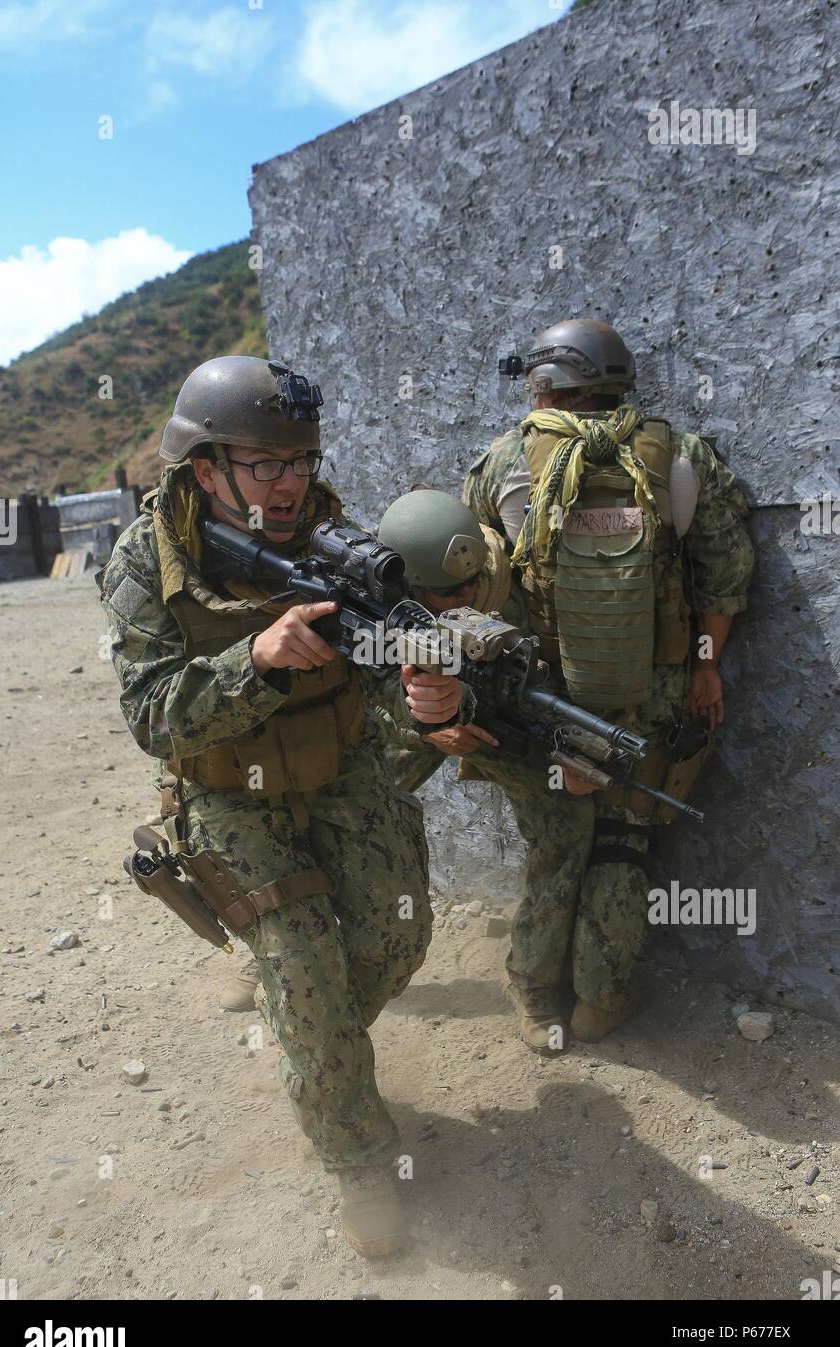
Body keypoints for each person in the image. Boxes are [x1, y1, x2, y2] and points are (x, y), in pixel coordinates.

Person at [98, 355, 464, 1257]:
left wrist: (429, 705)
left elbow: (388, 668)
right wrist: (255, 661)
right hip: (225, 789)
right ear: (205, 465)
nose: (292, 480)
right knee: (306, 974)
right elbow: (152, 714)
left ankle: (314, 1037)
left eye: (301, 459)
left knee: (395, 937)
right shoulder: (149, 557)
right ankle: (359, 1154)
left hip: (336, 762)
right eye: (267, 463)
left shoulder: (330, 535)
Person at [462, 319, 754, 1042]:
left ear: (544, 387)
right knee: (625, 839)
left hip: (548, 693)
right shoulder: (680, 459)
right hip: (650, 689)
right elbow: (725, 574)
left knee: (558, 844)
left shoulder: (503, 464)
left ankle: (534, 995)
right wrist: (706, 667)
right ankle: (602, 998)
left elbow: (471, 582)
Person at [376, 488, 594, 1055]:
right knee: (349, 800)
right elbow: (368, 688)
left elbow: (548, 686)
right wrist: (425, 725)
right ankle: (290, 947)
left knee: (565, 821)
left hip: (500, 719)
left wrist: (569, 755)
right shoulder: (377, 599)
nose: (466, 596)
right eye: (446, 593)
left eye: (471, 585)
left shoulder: (517, 593)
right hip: (418, 714)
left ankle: (533, 983)